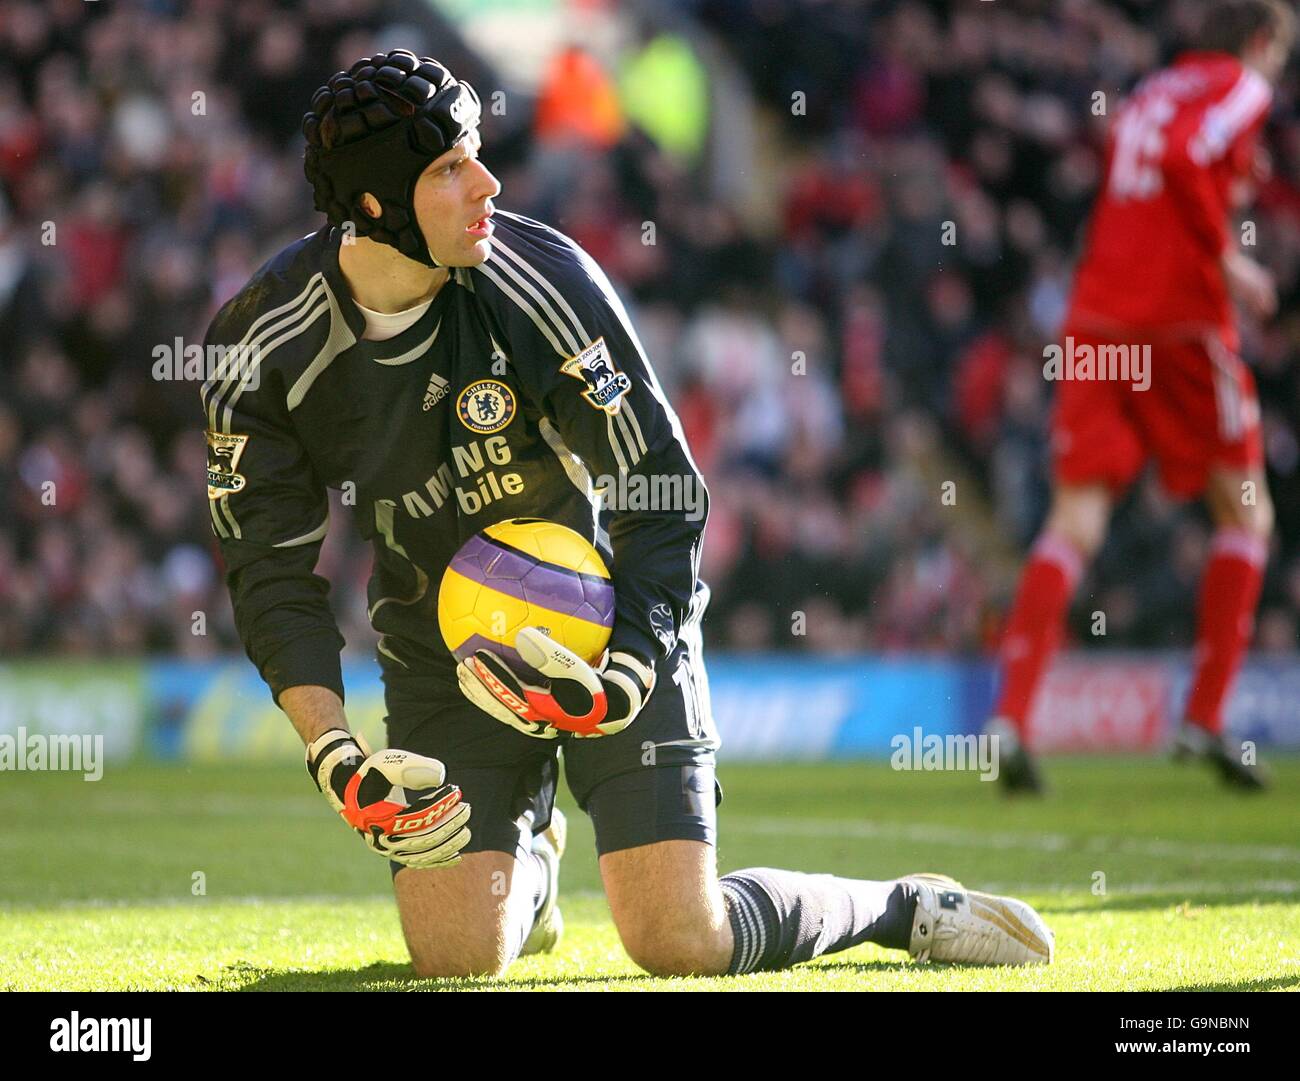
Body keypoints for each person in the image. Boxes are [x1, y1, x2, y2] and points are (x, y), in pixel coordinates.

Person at [202, 49, 1053, 977]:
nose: (488, 181)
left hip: (609, 621)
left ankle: (900, 907)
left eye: (478, 151)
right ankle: (530, 867)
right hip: (443, 649)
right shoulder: (258, 345)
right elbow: (270, 573)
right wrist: (333, 751)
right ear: (374, 207)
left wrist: (630, 670)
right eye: (449, 168)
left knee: (680, 942)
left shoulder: (543, 280)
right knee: (455, 960)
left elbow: (663, 489)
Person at [987, 0, 1294, 794]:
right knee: (1248, 510)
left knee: (1074, 519)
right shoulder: (1241, 87)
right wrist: (1230, 259)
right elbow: (1191, 158)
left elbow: (1142, 174)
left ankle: (1011, 718)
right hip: (1180, 320)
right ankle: (1204, 715)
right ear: (1262, 42)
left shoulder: (1151, 89)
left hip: (1098, 315)